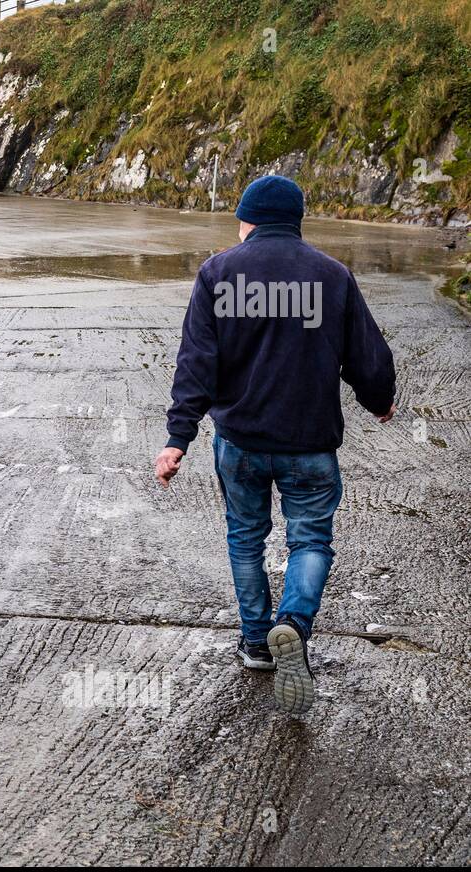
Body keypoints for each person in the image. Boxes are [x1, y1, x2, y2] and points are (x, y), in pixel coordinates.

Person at [154, 175, 395, 717]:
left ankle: (258, 643)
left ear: (250, 220)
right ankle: (294, 623)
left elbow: (197, 362)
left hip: (239, 441)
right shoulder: (332, 276)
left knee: (245, 537)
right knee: (309, 541)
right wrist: (379, 400)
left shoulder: (218, 272)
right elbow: (367, 356)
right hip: (310, 443)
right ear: (297, 220)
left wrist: (178, 438)